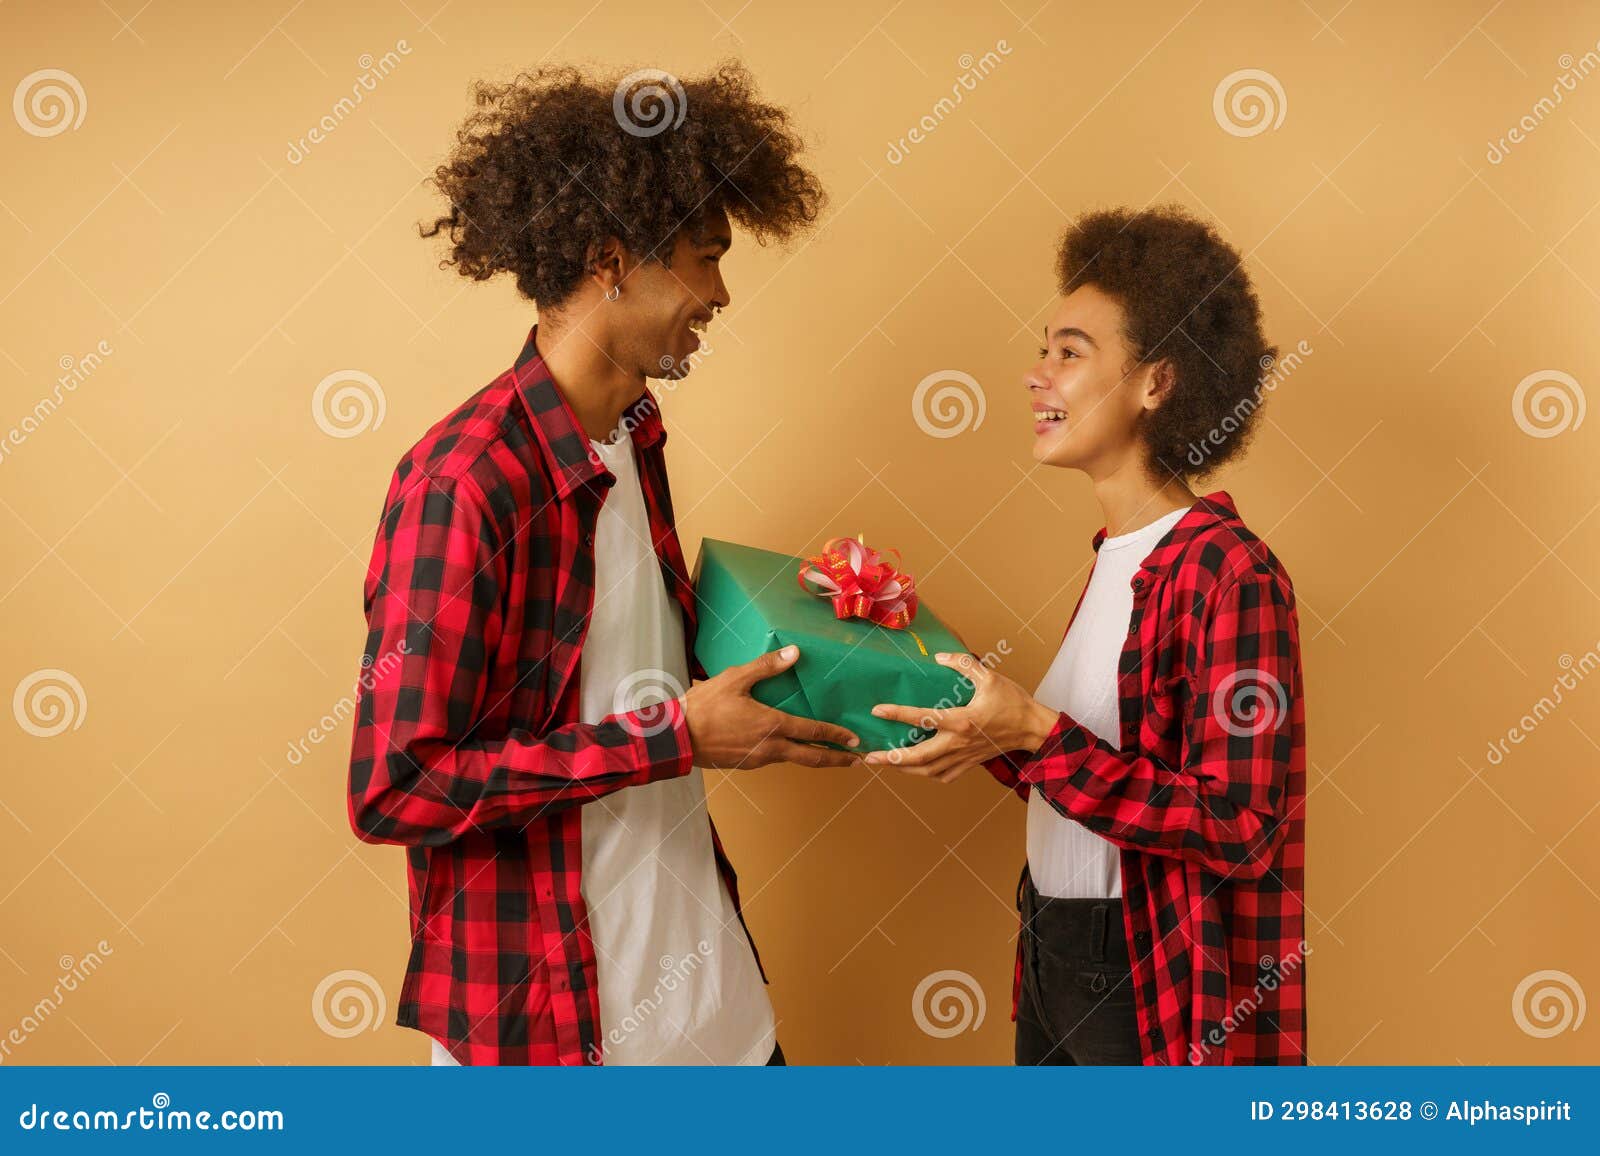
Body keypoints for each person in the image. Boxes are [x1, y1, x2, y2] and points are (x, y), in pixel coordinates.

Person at [346, 62, 857, 1066]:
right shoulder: (465, 481)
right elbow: (397, 789)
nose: (720, 291)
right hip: (559, 1037)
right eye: (702, 258)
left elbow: (622, 670)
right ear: (608, 258)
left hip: (713, 1014)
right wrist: (674, 735)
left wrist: (809, 628)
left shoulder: (633, 430)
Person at [867, 205, 1308, 1065]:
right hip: (1051, 947)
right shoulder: (1118, 558)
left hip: (1139, 972)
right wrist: (937, 688)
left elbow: (1242, 824)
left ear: (1157, 383)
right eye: (1044, 350)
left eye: (1070, 352)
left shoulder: (1229, 573)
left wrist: (1035, 732)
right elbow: (1091, 770)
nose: (1038, 375)